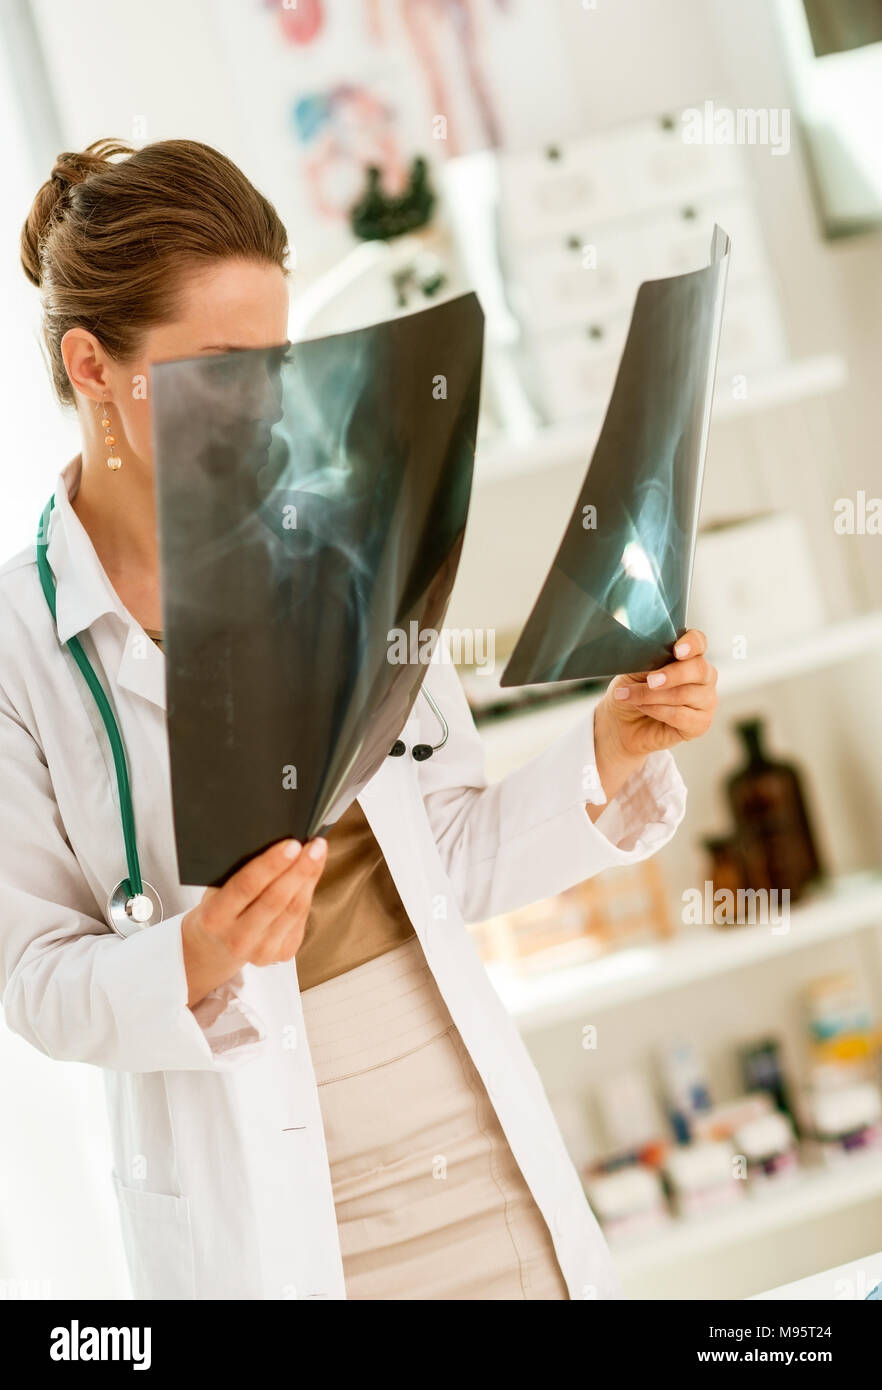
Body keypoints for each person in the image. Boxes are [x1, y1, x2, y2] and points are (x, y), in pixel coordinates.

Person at [0, 138, 718, 1300]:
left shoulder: (335, 541)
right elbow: (34, 979)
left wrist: (609, 748)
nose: (269, 407)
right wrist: (200, 953)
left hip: (475, 1156)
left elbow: (451, 859)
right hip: (263, 1216)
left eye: (282, 364)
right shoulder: (21, 646)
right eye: (224, 367)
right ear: (95, 367)